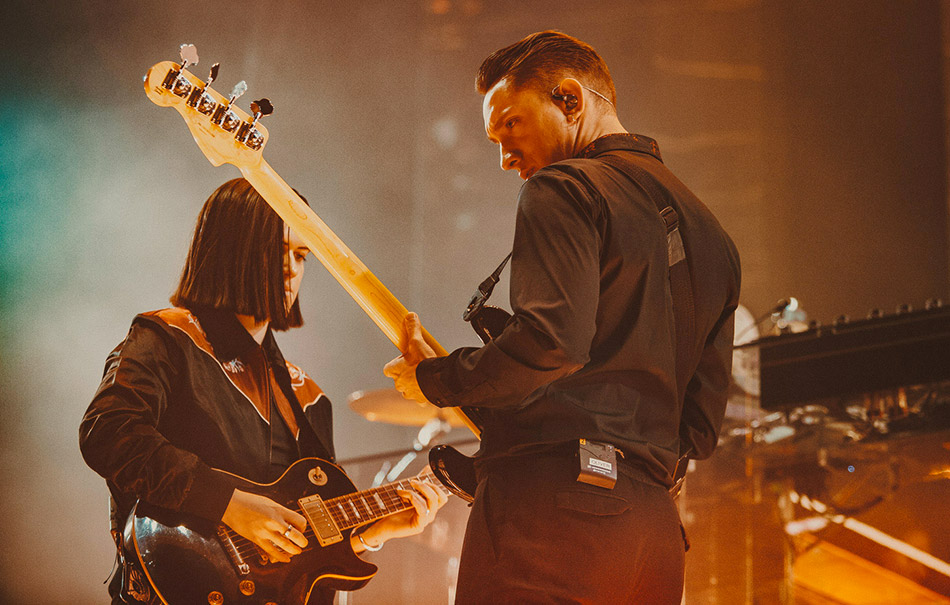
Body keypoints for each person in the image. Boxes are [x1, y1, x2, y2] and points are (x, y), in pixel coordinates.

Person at [384, 31, 740, 603]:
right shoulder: (715, 237)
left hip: (553, 523)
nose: (504, 158)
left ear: (570, 100)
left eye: (510, 126)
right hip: (654, 538)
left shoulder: (564, 187)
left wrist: (437, 380)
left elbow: (553, 342)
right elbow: (699, 430)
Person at [80, 178, 446, 604]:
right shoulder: (167, 336)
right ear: (230, 250)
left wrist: (368, 536)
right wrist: (228, 503)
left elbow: (305, 550)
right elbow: (108, 434)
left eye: (301, 255)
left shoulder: (306, 394)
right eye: (277, 251)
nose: (292, 269)